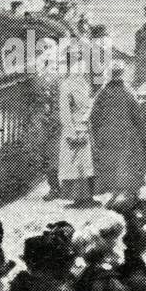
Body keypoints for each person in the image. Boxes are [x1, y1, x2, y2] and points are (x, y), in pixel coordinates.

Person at [90, 61, 146, 206]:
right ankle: (130, 193)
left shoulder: (102, 93)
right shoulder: (128, 92)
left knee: (111, 164)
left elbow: (94, 116)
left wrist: (98, 133)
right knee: (129, 163)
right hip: (127, 135)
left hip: (108, 135)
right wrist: (140, 132)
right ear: (122, 74)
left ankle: (115, 194)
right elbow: (137, 115)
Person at [58, 48, 96, 207]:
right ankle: (77, 198)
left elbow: (89, 103)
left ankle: (88, 197)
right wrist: (70, 132)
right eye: (76, 62)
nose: (80, 66)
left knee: (87, 163)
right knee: (75, 164)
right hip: (74, 128)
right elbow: (65, 111)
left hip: (86, 126)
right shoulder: (66, 85)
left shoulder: (84, 83)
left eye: (81, 61)